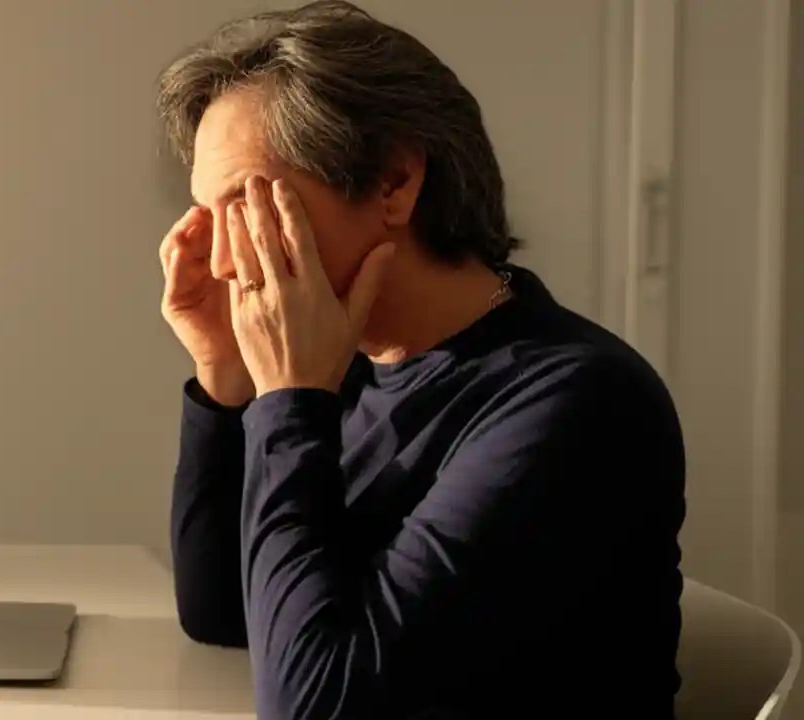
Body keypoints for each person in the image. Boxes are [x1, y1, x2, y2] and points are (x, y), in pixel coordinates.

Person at [154, 2, 686, 718]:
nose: (221, 260)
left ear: (395, 182)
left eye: (244, 209)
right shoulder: (345, 368)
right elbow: (222, 611)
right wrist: (228, 386)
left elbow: (313, 706)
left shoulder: (578, 404)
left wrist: (288, 402)